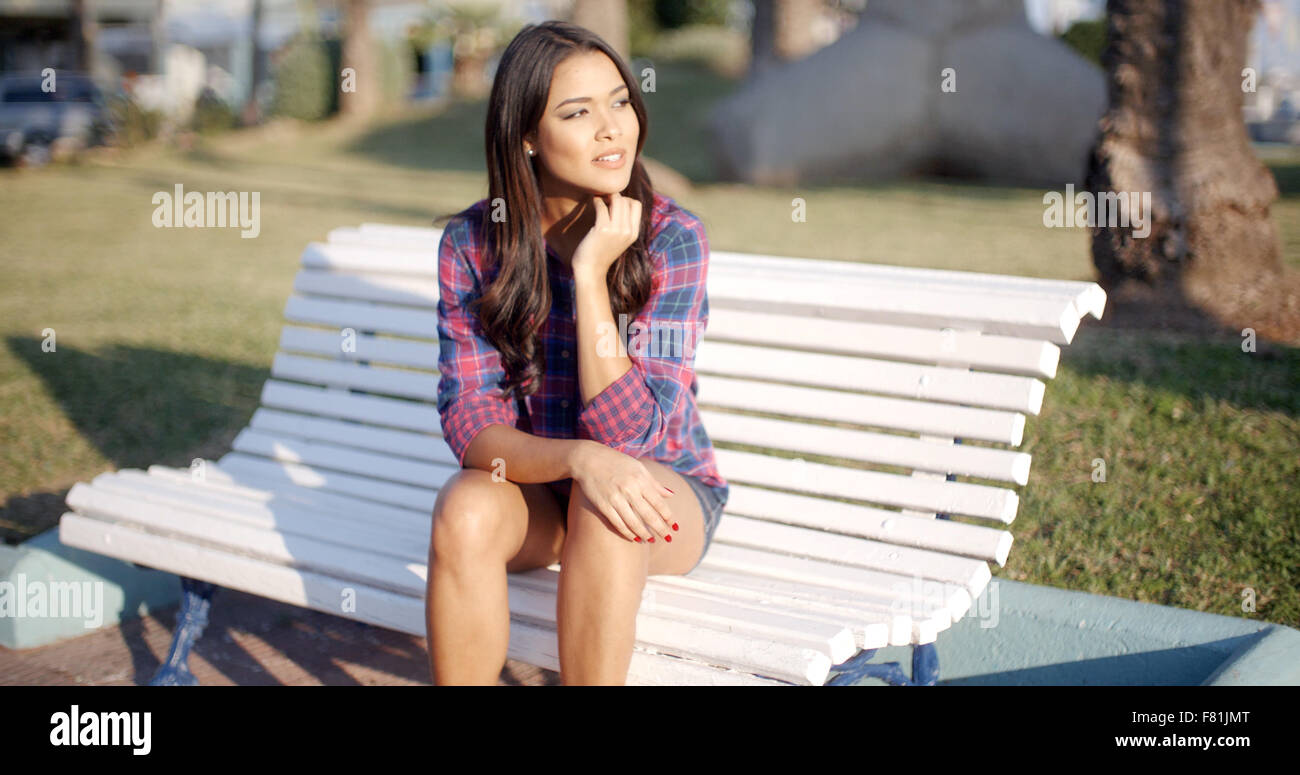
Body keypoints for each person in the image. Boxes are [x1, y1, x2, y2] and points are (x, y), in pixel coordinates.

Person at [426, 20, 730, 686]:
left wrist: (592, 277)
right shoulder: (473, 244)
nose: (612, 128)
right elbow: (472, 427)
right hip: (541, 488)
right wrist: (574, 459)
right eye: (577, 112)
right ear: (527, 136)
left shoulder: (672, 240)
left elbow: (631, 436)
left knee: (611, 500)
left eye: (620, 101)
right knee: (465, 506)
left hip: (663, 488)